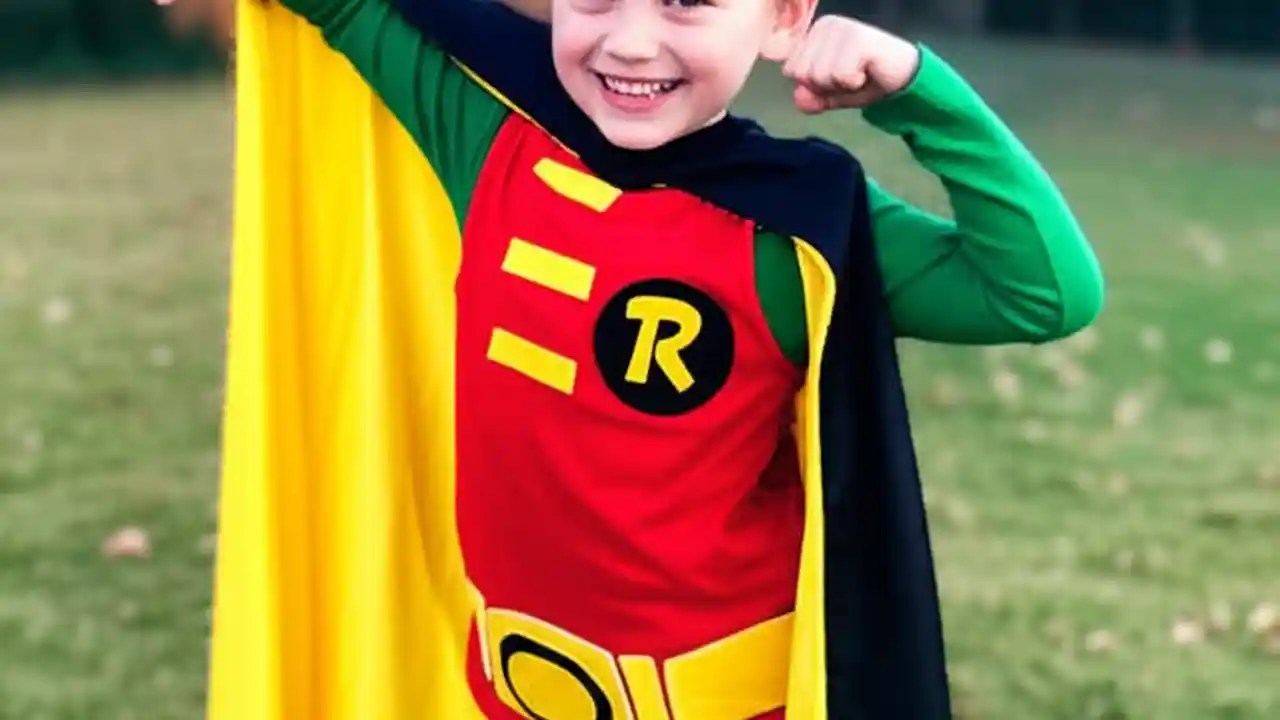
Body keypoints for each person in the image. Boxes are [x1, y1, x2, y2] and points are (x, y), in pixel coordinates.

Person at [205, 0, 1105, 716]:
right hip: (510, 694)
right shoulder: (494, 140)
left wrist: (917, 91)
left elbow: (1041, 290)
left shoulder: (799, 226)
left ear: (782, 19)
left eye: (687, 2)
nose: (632, 42)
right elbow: (351, 8)